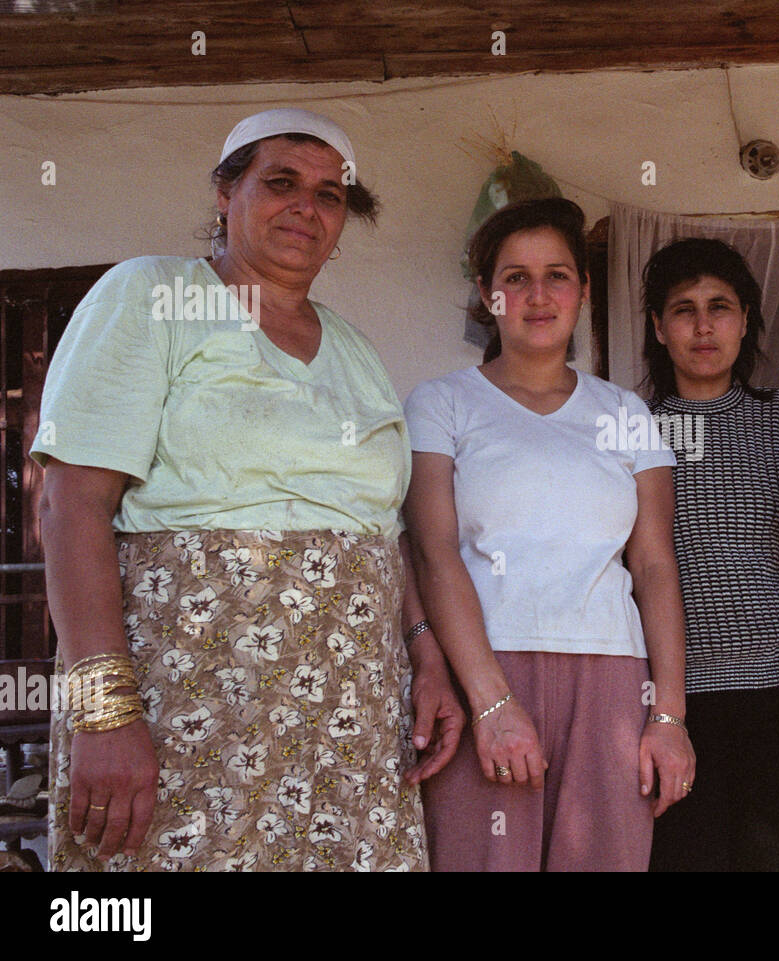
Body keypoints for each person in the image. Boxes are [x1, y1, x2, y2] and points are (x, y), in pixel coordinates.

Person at [32, 108, 463, 871]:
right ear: (226, 192)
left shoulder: (356, 351)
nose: (307, 206)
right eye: (282, 182)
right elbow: (70, 506)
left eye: (331, 195)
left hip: (350, 713)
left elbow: (382, 533)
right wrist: (104, 711)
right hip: (187, 701)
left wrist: (426, 654)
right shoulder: (151, 294)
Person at [403, 197, 695, 871]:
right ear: (486, 293)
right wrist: (490, 701)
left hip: (616, 682)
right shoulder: (441, 403)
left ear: (584, 289)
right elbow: (430, 548)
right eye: (515, 277)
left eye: (558, 275)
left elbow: (654, 565)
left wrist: (670, 716)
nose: (539, 295)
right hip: (485, 664)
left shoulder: (625, 412)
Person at [638, 238, 779, 871]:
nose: (703, 324)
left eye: (720, 305)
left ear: (745, 319)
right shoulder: (629, 428)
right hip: (673, 700)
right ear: (659, 328)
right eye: (683, 309)